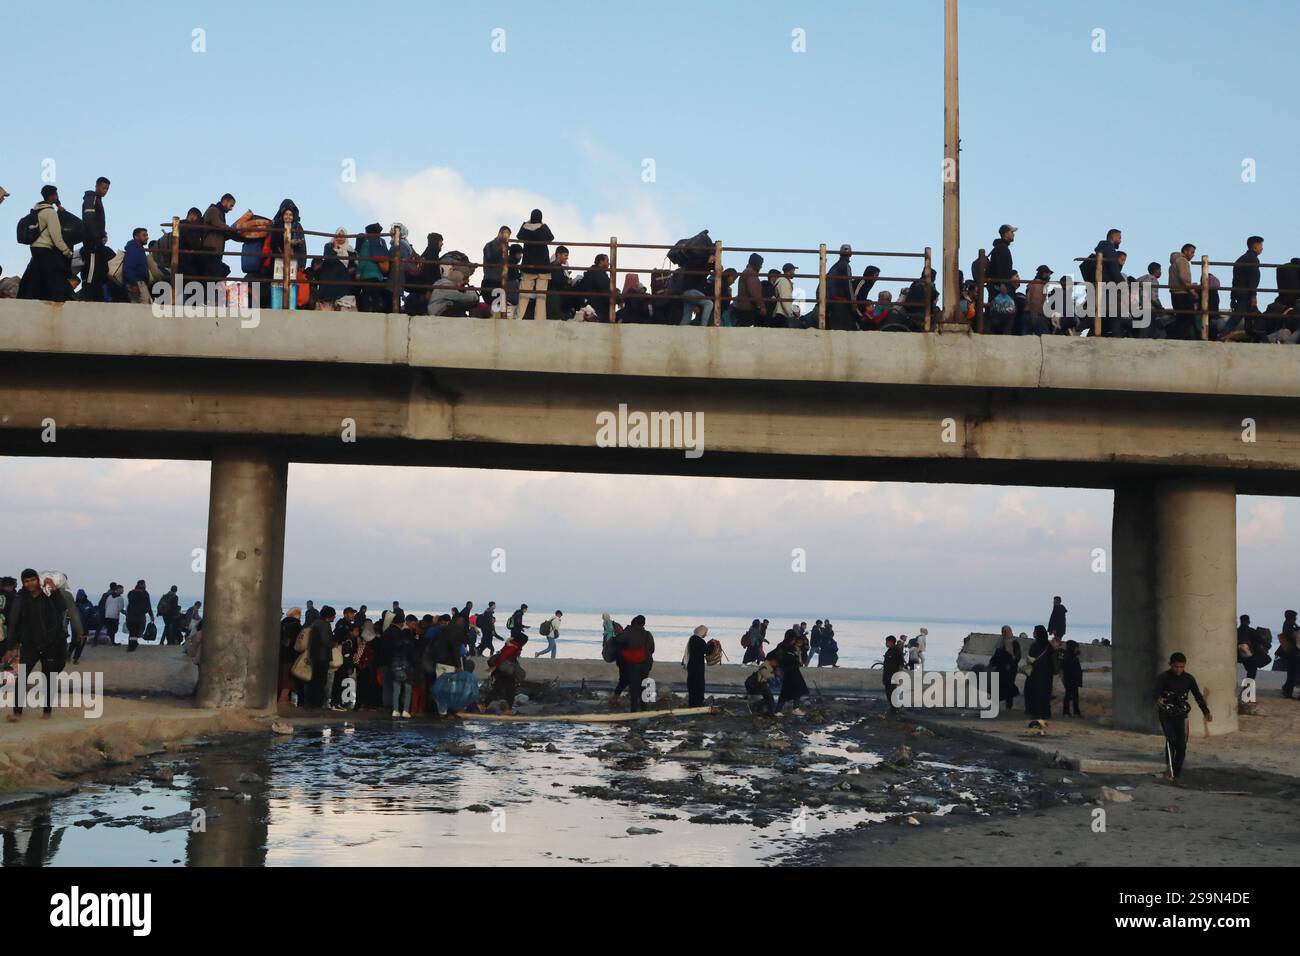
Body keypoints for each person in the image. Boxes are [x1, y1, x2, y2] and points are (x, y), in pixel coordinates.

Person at [3, 570, 80, 720]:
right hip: (29, 645)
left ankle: (47, 711)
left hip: (50, 644)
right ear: (23, 583)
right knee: (22, 678)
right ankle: (17, 712)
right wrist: (11, 646)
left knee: (49, 678)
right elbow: (14, 622)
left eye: (32, 580)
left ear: (38, 580)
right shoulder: (21, 598)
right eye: (26, 581)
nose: (30, 583)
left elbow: (62, 607)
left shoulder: (48, 595)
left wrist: (54, 589)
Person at [1154, 652, 1211, 781]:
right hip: (1166, 714)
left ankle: (1177, 773)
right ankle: (1169, 769)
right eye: (1176, 667)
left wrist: (1206, 711)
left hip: (1181, 715)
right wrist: (1159, 700)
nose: (1179, 669)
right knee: (1171, 740)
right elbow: (1155, 693)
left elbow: (1198, 696)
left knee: (1182, 746)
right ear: (1170, 665)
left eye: (1181, 667)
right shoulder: (1163, 677)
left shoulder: (1189, 679)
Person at [18, 186, 74, 302]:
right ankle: (60, 300)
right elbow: (56, 237)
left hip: (34, 248)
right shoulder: (50, 212)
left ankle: (25, 297)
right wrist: (66, 251)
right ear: (53, 196)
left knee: (35, 274)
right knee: (53, 275)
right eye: (56, 195)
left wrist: (58, 206)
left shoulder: (38, 209)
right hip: (45, 249)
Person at [1224, 236, 1264, 339]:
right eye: (1261, 245)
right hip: (1246, 293)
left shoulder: (1240, 259)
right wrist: (1253, 296)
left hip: (1239, 292)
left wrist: (1232, 297)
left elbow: (1234, 280)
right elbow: (1253, 280)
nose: (1262, 248)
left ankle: (1261, 339)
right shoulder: (1253, 259)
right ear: (1255, 247)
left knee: (1248, 318)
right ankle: (1221, 335)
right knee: (1239, 317)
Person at [516, 209, 554, 320]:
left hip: (528, 266)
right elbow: (551, 237)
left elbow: (519, 236)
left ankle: (519, 317)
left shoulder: (525, 227)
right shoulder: (543, 228)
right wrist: (541, 224)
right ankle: (540, 320)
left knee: (523, 296)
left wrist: (527, 223)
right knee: (541, 297)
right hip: (543, 266)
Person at [617, 614, 655, 712]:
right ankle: (644, 709)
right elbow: (652, 649)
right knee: (643, 686)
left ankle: (634, 710)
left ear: (634, 623)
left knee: (633, 687)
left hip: (633, 664)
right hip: (646, 664)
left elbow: (618, 640)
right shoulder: (648, 634)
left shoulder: (629, 632)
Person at [199, 193, 241, 280]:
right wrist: (233, 230)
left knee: (220, 273)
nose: (231, 208)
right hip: (209, 250)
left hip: (215, 252)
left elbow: (222, 232)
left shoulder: (219, 212)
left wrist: (234, 234)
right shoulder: (213, 210)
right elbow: (218, 224)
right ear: (225, 201)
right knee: (212, 276)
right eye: (231, 205)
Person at [485, 631, 526, 714]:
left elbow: (503, 655)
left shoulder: (512, 644)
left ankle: (484, 705)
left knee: (499, 689)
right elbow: (503, 657)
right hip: (506, 671)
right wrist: (494, 667)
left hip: (505, 671)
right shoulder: (514, 646)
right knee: (509, 690)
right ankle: (508, 710)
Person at [1023, 625, 1055, 726]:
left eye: (1035, 632)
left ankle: (1035, 713)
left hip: (1036, 673)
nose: (1033, 634)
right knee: (1045, 693)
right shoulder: (1049, 646)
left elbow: (1030, 659)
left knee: (1034, 692)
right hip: (1047, 674)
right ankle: (1045, 713)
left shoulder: (1035, 645)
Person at [1167, 244, 1199, 339]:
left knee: (1181, 318)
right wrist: (1192, 291)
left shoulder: (1173, 263)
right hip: (1182, 294)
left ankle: (1174, 336)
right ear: (1185, 251)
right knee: (1188, 317)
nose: (1193, 255)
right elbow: (1184, 278)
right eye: (1192, 252)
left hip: (1175, 293)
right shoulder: (1182, 261)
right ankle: (1175, 337)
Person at [307, 605, 337, 709]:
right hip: (322, 656)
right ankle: (317, 703)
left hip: (315, 655)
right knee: (320, 681)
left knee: (314, 680)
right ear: (329, 616)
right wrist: (334, 644)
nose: (334, 617)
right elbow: (325, 641)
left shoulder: (316, 623)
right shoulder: (324, 625)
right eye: (333, 615)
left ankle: (311, 703)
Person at [774, 631, 809, 715]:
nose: (794, 641)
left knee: (798, 689)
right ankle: (779, 710)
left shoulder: (792, 647)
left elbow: (798, 659)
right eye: (793, 639)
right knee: (787, 690)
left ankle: (794, 708)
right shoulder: (783, 646)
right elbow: (778, 657)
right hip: (788, 671)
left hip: (794, 670)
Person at [988, 625, 1021, 711]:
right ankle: (995, 705)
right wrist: (991, 663)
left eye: (1006, 631)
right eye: (1003, 631)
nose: (1005, 633)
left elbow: (1017, 656)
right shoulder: (1000, 642)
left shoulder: (1014, 642)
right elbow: (996, 654)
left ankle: (1008, 706)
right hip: (1000, 668)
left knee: (1008, 686)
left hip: (1010, 670)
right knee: (997, 686)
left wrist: (1010, 664)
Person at [481, 226, 513, 311]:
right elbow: (490, 259)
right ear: (500, 233)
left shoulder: (506, 248)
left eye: (508, 235)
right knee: (494, 308)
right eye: (505, 233)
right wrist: (501, 249)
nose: (506, 237)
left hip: (501, 282)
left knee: (499, 309)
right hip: (490, 280)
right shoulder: (489, 245)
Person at [574, 255, 614, 322]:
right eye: (607, 261)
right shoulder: (599, 273)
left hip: (590, 305)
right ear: (601, 261)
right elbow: (604, 290)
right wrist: (616, 300)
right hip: (598, 308)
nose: (609, 264)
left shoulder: (592, 272)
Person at [731, 253, 765, 327]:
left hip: (743, 308)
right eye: (761, 264)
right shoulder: (750, 273)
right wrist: (761, 306)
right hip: (747, 309)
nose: (761, 267)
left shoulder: (746, 272)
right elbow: (753, 291)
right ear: (757, 264)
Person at [279, 607, 303, 704]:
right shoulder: (297, 625)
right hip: (292, 655)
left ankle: (284, 699)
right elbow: (300, 642)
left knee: (281, 676)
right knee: (288, 678)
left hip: (281, 653)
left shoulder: (282, 623)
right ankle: (283, 699)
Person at [683, 625, 710, 707]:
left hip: (691, 665)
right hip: (697, 667)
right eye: (705, 632)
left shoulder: (692, 638)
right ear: (701, 632)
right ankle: (697, 704)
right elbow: (707, 651)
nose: (706, 634)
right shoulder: (699, 641)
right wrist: (712, 644)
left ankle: (692, 703)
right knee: (698, 685)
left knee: (692, 684)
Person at [124, 580, 153, 651]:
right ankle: (133, 646)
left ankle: (131, 644)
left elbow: (129, 604)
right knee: (137, 631)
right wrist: (151, 615)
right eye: (144, 584)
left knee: (132, 631)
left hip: (130, 615)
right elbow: (148, 605)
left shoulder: (131, 593)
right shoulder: (145, 593)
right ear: (142, 585)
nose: (145, 586)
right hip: (140, 615)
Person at [882, 635, 904, 715]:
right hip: (887, 675)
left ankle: (895, 708)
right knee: (888, 692)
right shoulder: (888, 651)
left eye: (887, 642)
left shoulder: (897, 651)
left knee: (892, 692)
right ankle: (892, 707)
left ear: (891, 642)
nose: (886, 644)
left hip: (893, 676)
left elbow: (901, 664)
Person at [1061, 640, 1083, 716]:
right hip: (1071, 680)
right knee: (1071, 696)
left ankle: (1070, 712)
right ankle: (1069, 712)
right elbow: (1073, 670)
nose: (1077, 649)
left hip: (1070, 680)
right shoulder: (1070, 657)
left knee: (1071, 696)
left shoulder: (1068, 656)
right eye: (1076, 647)